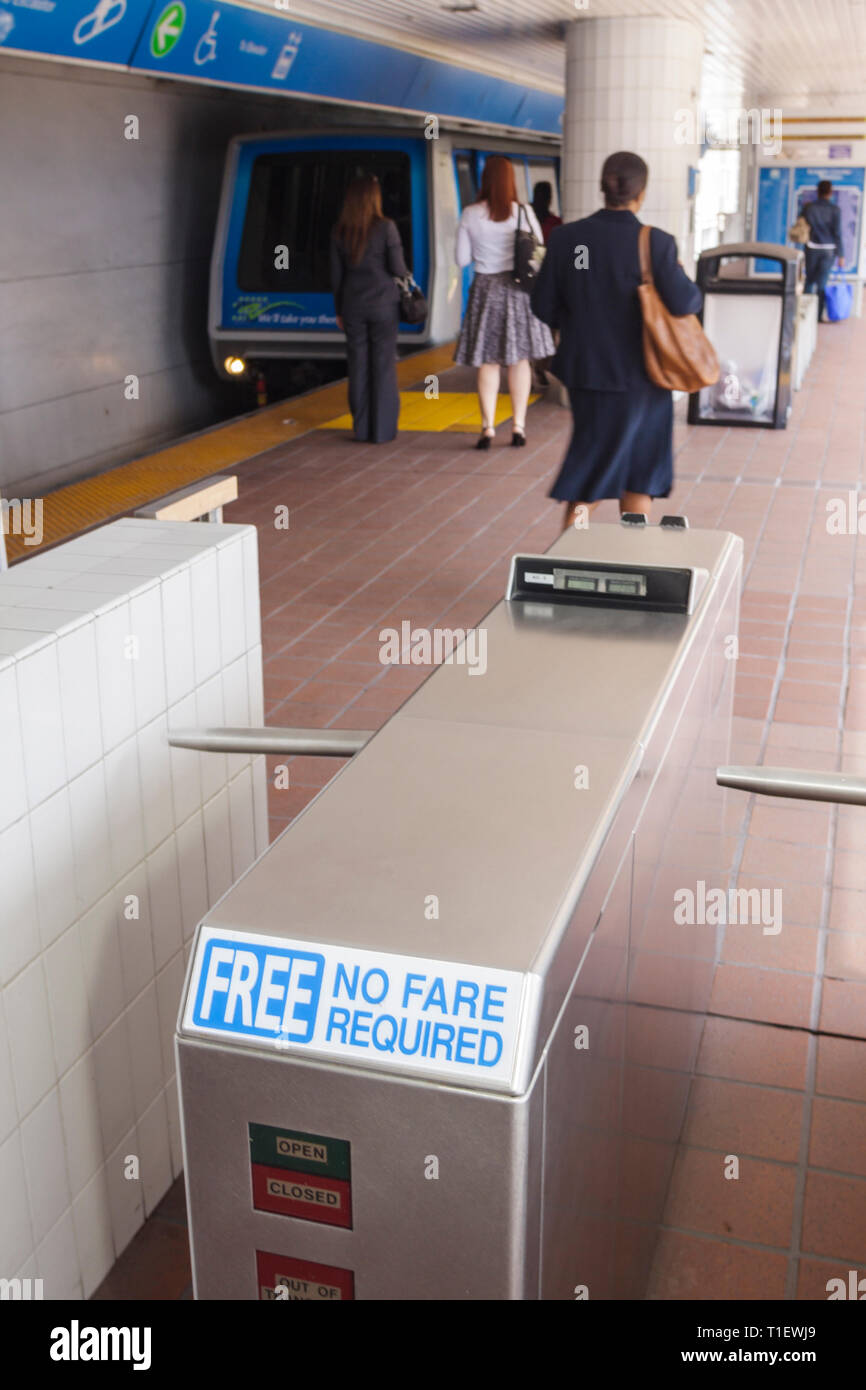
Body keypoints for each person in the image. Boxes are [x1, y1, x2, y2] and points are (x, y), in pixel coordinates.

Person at [531, 150, 702, 528]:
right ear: (641, 193)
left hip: (587, 372)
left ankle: (571, 551)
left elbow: (543, 304)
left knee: (592, 465)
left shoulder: (571, 240)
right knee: (640, 469)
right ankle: (629, 559)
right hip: (644, 375)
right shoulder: (654, 243)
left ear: (602, 188)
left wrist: (579, 323)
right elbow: (686, 301)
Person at [454, 155, 555, 448]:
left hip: (486, 288)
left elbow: (461, 259)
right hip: (519, 289)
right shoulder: (523, 212)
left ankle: (487, 428)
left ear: (485, 180)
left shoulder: (471, 214)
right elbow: (538, 252)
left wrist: (483, 250)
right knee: (519, 359)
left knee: (489, 361)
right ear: (511, 181)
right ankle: (519, 427)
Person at [330, 175, 408, 443]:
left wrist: (339, 310)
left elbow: (336, 277)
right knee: (383, 366)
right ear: (375, 199)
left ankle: (361, 429)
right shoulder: (386, 228)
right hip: (384, 305)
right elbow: (398, 269)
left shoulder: (340, 231)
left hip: (353, 306)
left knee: (358, 366)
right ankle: (382, 431)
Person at [802, 180, 844, 322]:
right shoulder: (835, 209)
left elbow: (801, 224)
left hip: (812, 247)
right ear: (830, 192)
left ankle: (805, 313)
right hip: (828, 250)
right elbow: (837, 233)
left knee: (809, 281)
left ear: (818, 191)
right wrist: (841, 254)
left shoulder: (809, 208)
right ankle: (818, 316)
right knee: (822, 283)